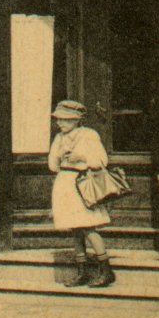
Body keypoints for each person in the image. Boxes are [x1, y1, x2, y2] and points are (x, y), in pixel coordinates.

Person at [48, 99, 115, 288]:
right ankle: (82, 271)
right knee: (75, 228)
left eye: (65, 119)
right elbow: (52, 166)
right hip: (64, 184)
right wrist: (58, 155)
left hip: (82, 184)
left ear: (76, 119)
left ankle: (106, 271)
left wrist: (81, 157)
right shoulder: (59, 138)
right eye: (58, 119)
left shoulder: (88, 135)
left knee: (87, 227)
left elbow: (101, 161)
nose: (60, 123)